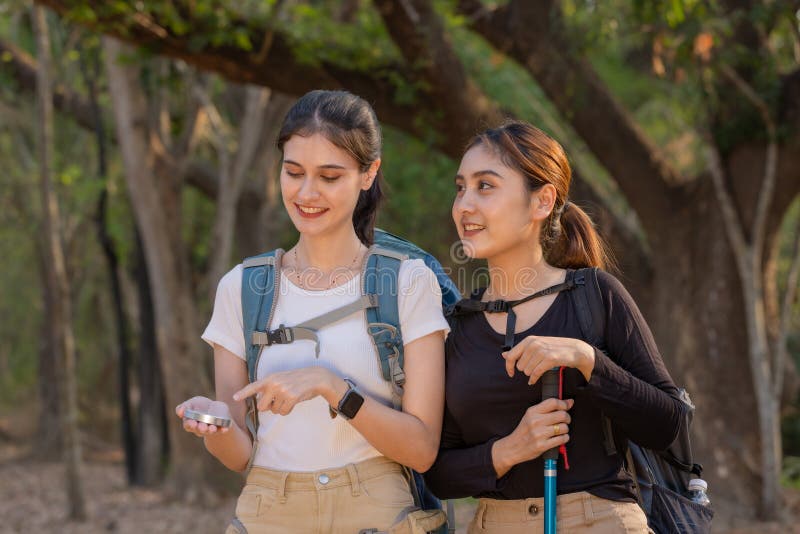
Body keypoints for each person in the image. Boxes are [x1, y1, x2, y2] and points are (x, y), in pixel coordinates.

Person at [176, 90, 449, 534]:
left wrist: (331, 386)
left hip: (376, 511)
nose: (307, 193)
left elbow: (420, 450)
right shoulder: (241, 288)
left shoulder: (407, 282)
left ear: (368, 173)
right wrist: (217, 423)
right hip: (270, 510)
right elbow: (241, 455)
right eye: (294, 172)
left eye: (329, 176)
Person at [423, 120, 684, 533]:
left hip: (599, 521)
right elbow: (435, 472)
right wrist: (508, 450)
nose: (464, 205)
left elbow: (668, 423)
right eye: (461, 187)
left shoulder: (595, 295)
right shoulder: (458, 326)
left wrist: (588, 361)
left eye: (485, 186)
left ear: (542, 201)